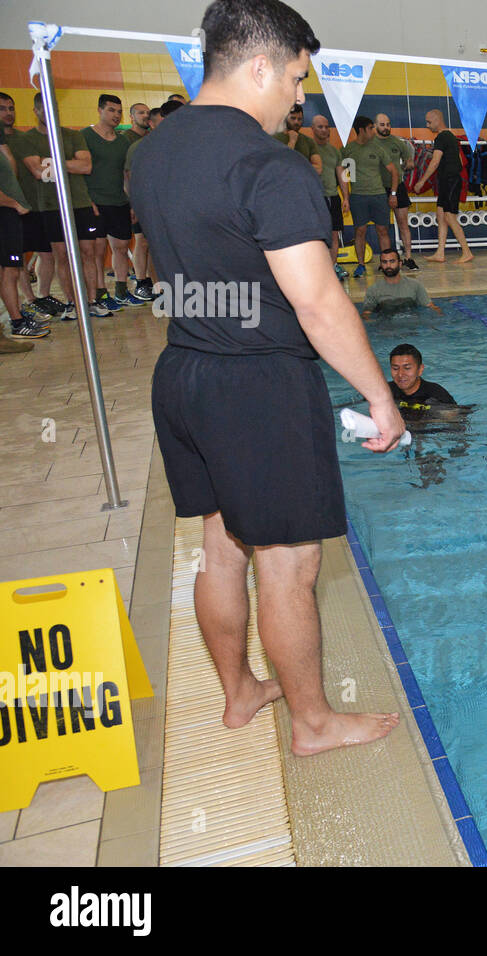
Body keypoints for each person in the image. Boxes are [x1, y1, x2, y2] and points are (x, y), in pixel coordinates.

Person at [133, 0, 402, 756]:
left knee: (222, 548)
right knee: (288, 562)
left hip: (183, 371)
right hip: (257, 389)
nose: (297, 95)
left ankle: (241, 693)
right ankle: (313, 725)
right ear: (258, 66)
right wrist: (381, 397)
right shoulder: (269, 166)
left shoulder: (151, 152)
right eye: (293, 76)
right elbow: (316, 302)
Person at [11, 92, 108, 317]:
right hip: (51, 205)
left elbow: (86, 167)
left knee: (88, 252)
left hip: (80, 202)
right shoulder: (27, 139)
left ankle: (91, 300)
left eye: (54, 108)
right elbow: (37, 171)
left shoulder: (73, 136)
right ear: (36, 111)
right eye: (45, 108)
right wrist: (66, 164)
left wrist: (51, 163)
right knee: (61, 255)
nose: (51, 113)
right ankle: (73, 303)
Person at [83, 94, 149, 308]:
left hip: (119, 201)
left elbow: (126, 173)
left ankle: (121, 291)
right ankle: (101, 294)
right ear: (100, 110)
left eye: (119, 111)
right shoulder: (85, 136)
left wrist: (131, 202)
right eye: (111, 110)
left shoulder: (122, 141)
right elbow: (79, 172)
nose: (116, 115)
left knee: (120, 247)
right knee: (98, 249)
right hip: (95, 200)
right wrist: (86, 199)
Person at [125, 102, 180, 300]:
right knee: (145, 243)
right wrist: (135, 205)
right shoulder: (139, 147)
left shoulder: (174, 145)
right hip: (147, 206)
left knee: (166, 247)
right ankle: (150, 285)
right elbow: (130, 179)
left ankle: (168, 288)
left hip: (169, 206)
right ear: (153, 124)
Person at [411, 109, 472, 264]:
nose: (427, 125)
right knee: (441, 215)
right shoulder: (450, 136)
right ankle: (440, 252)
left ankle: (466, 251)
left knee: (449, 216)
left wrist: (421, 181)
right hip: (447, 181)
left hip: (451, 180)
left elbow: (435, 161)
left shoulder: (442, 137)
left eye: (429, 122)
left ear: (438, 119)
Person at [342, 115, 399, 278]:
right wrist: (346, 198)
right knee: (360, 231)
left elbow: (394, 171)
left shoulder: (377, 148)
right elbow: (344, 175)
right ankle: (361, 265)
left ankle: (386, 263)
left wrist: (393, 194)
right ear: (361, 130)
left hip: (378, 195)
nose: (373, 131)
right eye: (370, 128)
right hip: (358, 197)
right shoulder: (348, 150)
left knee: (383, 230)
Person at [0, 119, 41, 347]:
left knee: (12, 270)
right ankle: (17, 321)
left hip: (9, 213)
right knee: (10, 270)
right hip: (6, 212)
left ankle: (17, 319)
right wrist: (14, 204)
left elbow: (11, 172)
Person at [374, 113, 416, 270]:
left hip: (398, 187)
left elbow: (409, 161)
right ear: (376, 126)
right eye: (383, 124)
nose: (386, 127)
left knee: (403, 223)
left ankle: (408, 258)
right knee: (382, 227)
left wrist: (405, 167)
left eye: (388, 124)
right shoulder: (370, 143)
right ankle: (386, 261)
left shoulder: (398, 143)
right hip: (378, 188)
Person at [308, 113, 348, 279]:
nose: (324, 130)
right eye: (320, 127)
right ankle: (317, 270)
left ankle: (333, 267)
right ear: (312, 129)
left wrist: (346, 197)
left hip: (333, 197)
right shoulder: (308, 148)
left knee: (333, 234)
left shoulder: (334, 151)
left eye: (326, 127)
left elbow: (342, 175)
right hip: (314, 198)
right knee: (316, 236)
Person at [359, 247, 439, 319]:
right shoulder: (373, 290)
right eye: (384, 262)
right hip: (386, 329)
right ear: (381, 265)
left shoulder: (415, 285)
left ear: (400, 264)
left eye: (392, 261)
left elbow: (431, 307)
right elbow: (366, 315)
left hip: (412, 329)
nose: (388, 265)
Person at [388, 343, 457, 415]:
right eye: (395, 368)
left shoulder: (437, 395)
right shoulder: (386, 391)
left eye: (407, 368)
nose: (400, 374)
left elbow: (457, 419)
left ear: (420, 369)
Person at [273, 103, 321, 175]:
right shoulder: (274, 139)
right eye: (293, 118)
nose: (296, 122)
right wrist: (292, 142)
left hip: (303, 184)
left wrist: (295, 166)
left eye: (299, 119)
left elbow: (318, 169)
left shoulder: (309, 141)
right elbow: (280, 166)